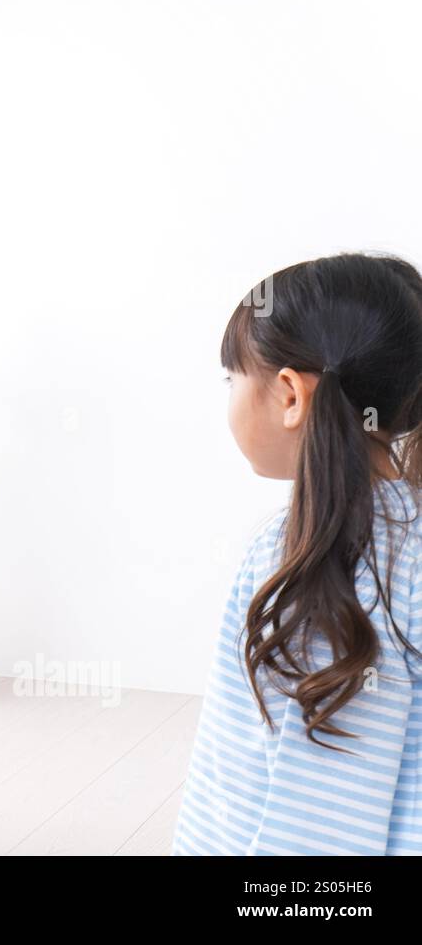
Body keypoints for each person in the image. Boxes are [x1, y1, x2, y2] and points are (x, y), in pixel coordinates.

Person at [174, 253, 422, 855]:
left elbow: (318, 824)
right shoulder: (408, 538)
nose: (230, 396)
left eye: (232, 379)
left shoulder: (310, 557)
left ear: (289, 395)